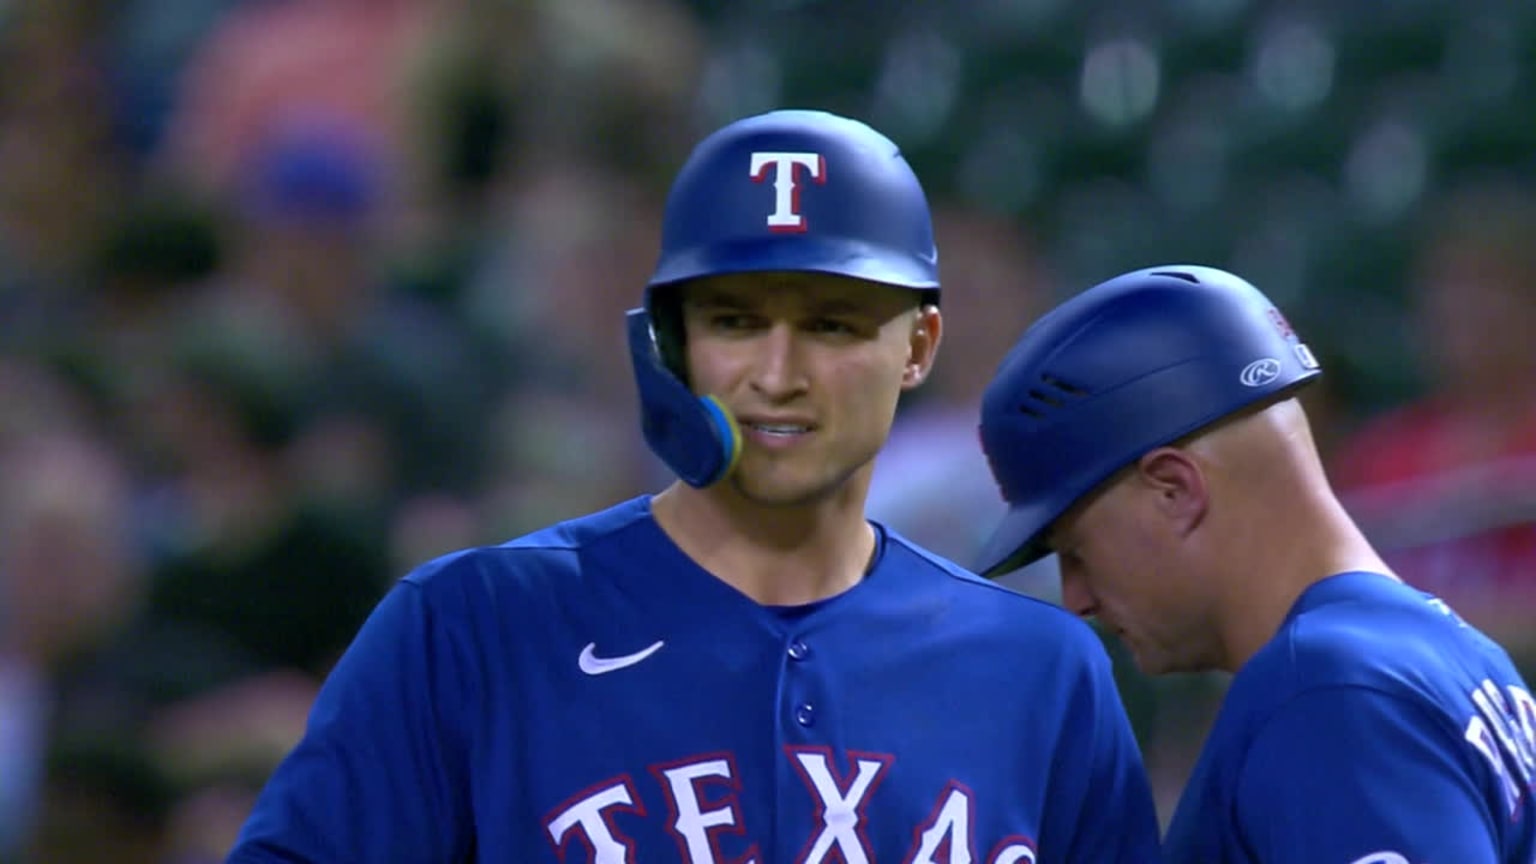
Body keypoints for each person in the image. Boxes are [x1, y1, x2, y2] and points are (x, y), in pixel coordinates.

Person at [224, 109, 1162, 863]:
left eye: (833, 326)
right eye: (734, 321)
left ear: (916, 347)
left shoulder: (1040, 671)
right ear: (669, 343)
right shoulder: (472, 627)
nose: (778, 373)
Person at [974, 263, 1536, 863]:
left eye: (1077, 552)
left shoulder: (1330, 688)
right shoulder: (1452, 651)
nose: (1077, 599)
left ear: (1174, 489)